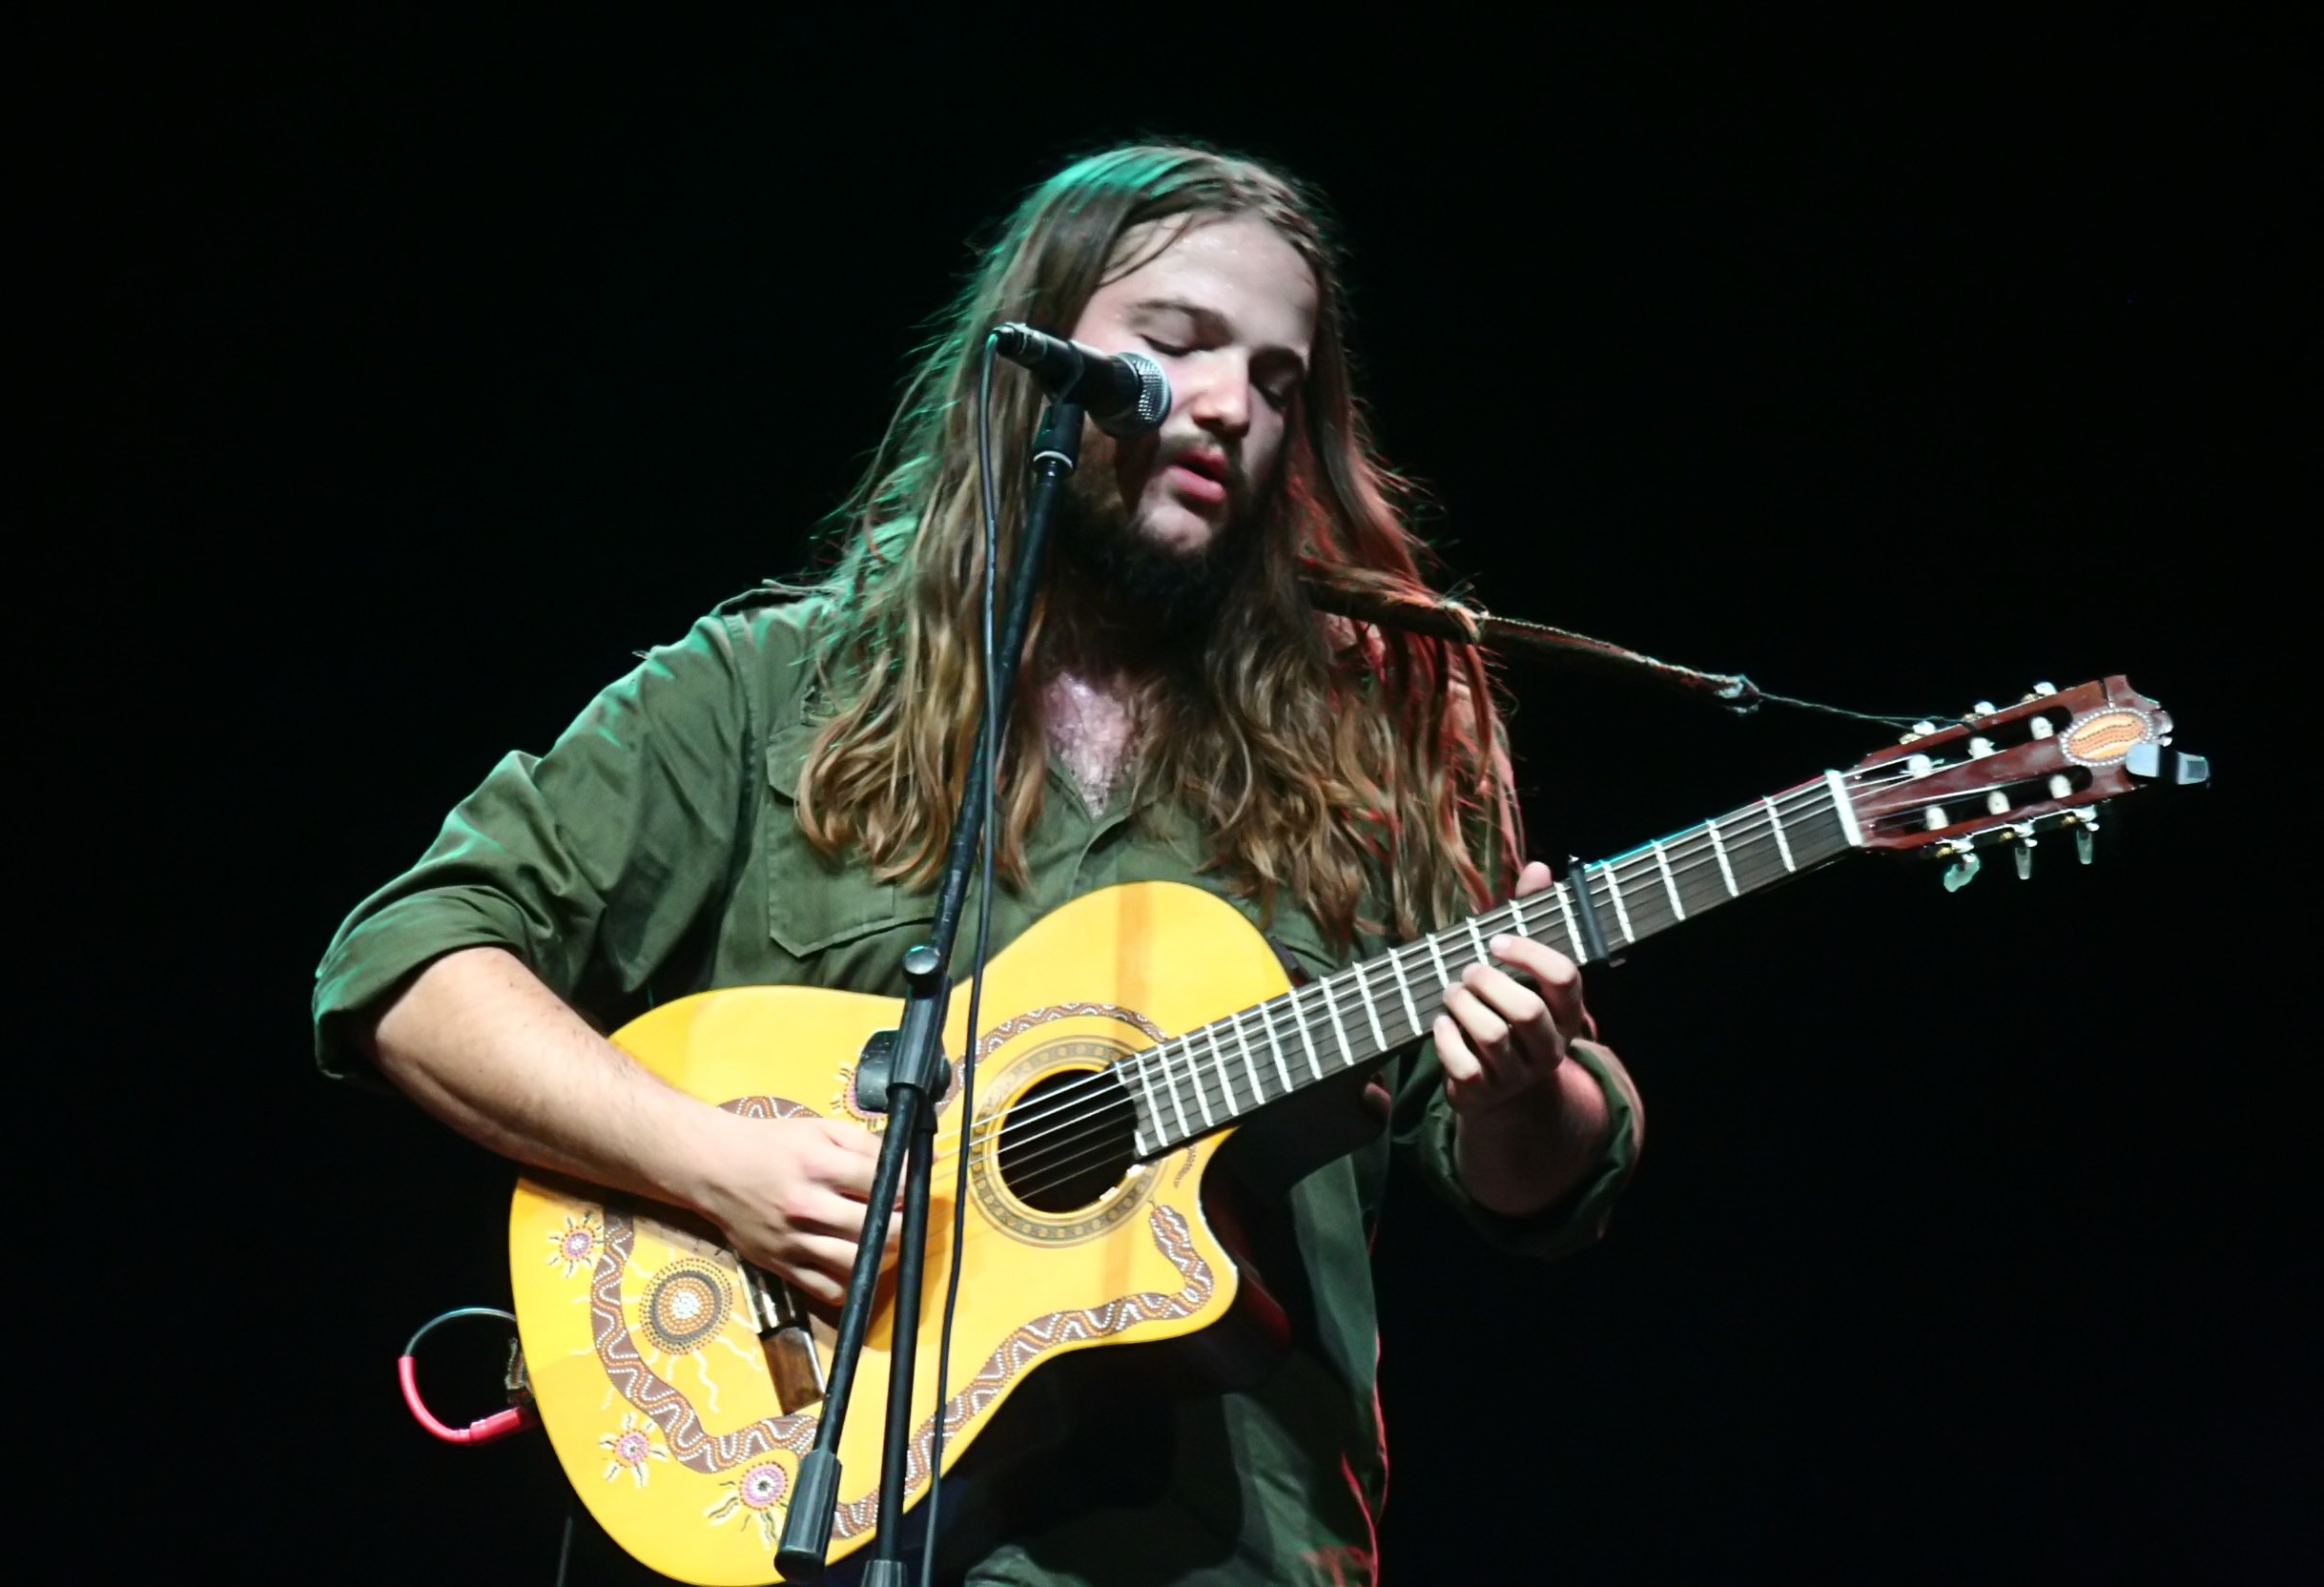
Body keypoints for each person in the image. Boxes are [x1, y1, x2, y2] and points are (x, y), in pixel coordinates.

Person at [314, 143, 1643, 1586]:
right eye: (1176, 344)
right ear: (1036, 354)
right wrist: (721, 1164)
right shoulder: (775, 688)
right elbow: (408, 969)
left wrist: (1531, 1088)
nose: (1227, 407)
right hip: (803, 1518)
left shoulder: (1383, 738)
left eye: (1277, 382)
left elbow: (1528, 1183)